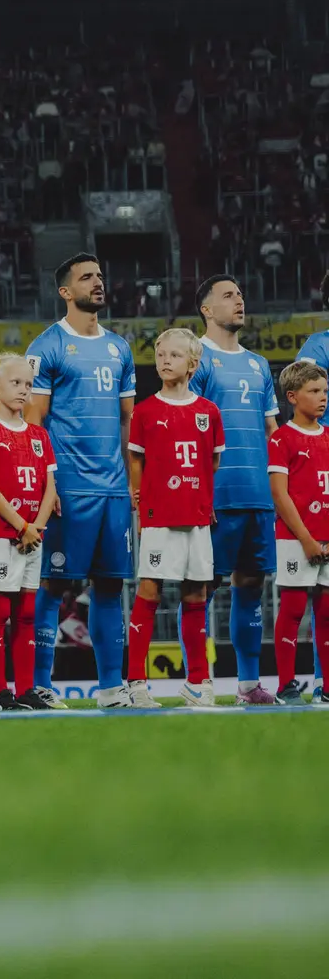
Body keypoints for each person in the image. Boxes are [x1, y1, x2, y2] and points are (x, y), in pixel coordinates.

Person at [23, 254, 136, 709]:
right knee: (53, 584)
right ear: (66, 292)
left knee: (110, 586)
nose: (98, 282)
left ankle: (111, 689)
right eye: (87, 277)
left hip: (112, 489)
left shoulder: (120, 348)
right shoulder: (47, 346)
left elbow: (127, 423)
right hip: (68, 488)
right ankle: (41, 686)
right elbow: (34, 423)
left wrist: (131, 481)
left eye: (100, 274)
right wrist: (45, 489)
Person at [189, 275, 281, 705]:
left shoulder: (260, 364)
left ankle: (248, 684)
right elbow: (188, 428)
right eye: (228, 295)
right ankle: (199, 682)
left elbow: (271, 430)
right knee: (203, 586)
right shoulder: (197, 359)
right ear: (206, 309)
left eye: (241, 293)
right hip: (217, 496)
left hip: (258, 494)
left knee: (251, 585)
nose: (239, 300)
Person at [125, 328, 223, 710]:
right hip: (158, 516)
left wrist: (202, 496)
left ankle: (197, 682)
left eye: (174, 355)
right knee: (149, 591)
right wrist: (138, 490)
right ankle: (136, 682)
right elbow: (136, 457)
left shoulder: (208, 412)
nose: (165, 360)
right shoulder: (146, 411)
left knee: (196, 594)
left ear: (193, 364)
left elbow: (211, 461)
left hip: (196, 516)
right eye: (161, 354)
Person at [0, 354, 57, 711]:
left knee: (26, 615)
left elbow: (50, 488)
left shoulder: (39, 435)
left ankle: (26, 690)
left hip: (32, 537)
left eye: (27, 384)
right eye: (15, 383)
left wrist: (35, 526)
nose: (24, 390)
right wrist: (23, 526)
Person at [267, 359, 329, 705]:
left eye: (325, 391)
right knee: (292, 611)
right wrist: (306, 539)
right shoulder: (282, 438)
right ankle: (286, 686)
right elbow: (279, 494)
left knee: (327, 613)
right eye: (314, 391)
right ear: (292, 396)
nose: (323, 398)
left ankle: (328, 687)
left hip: (328, 537)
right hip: (295, 539)